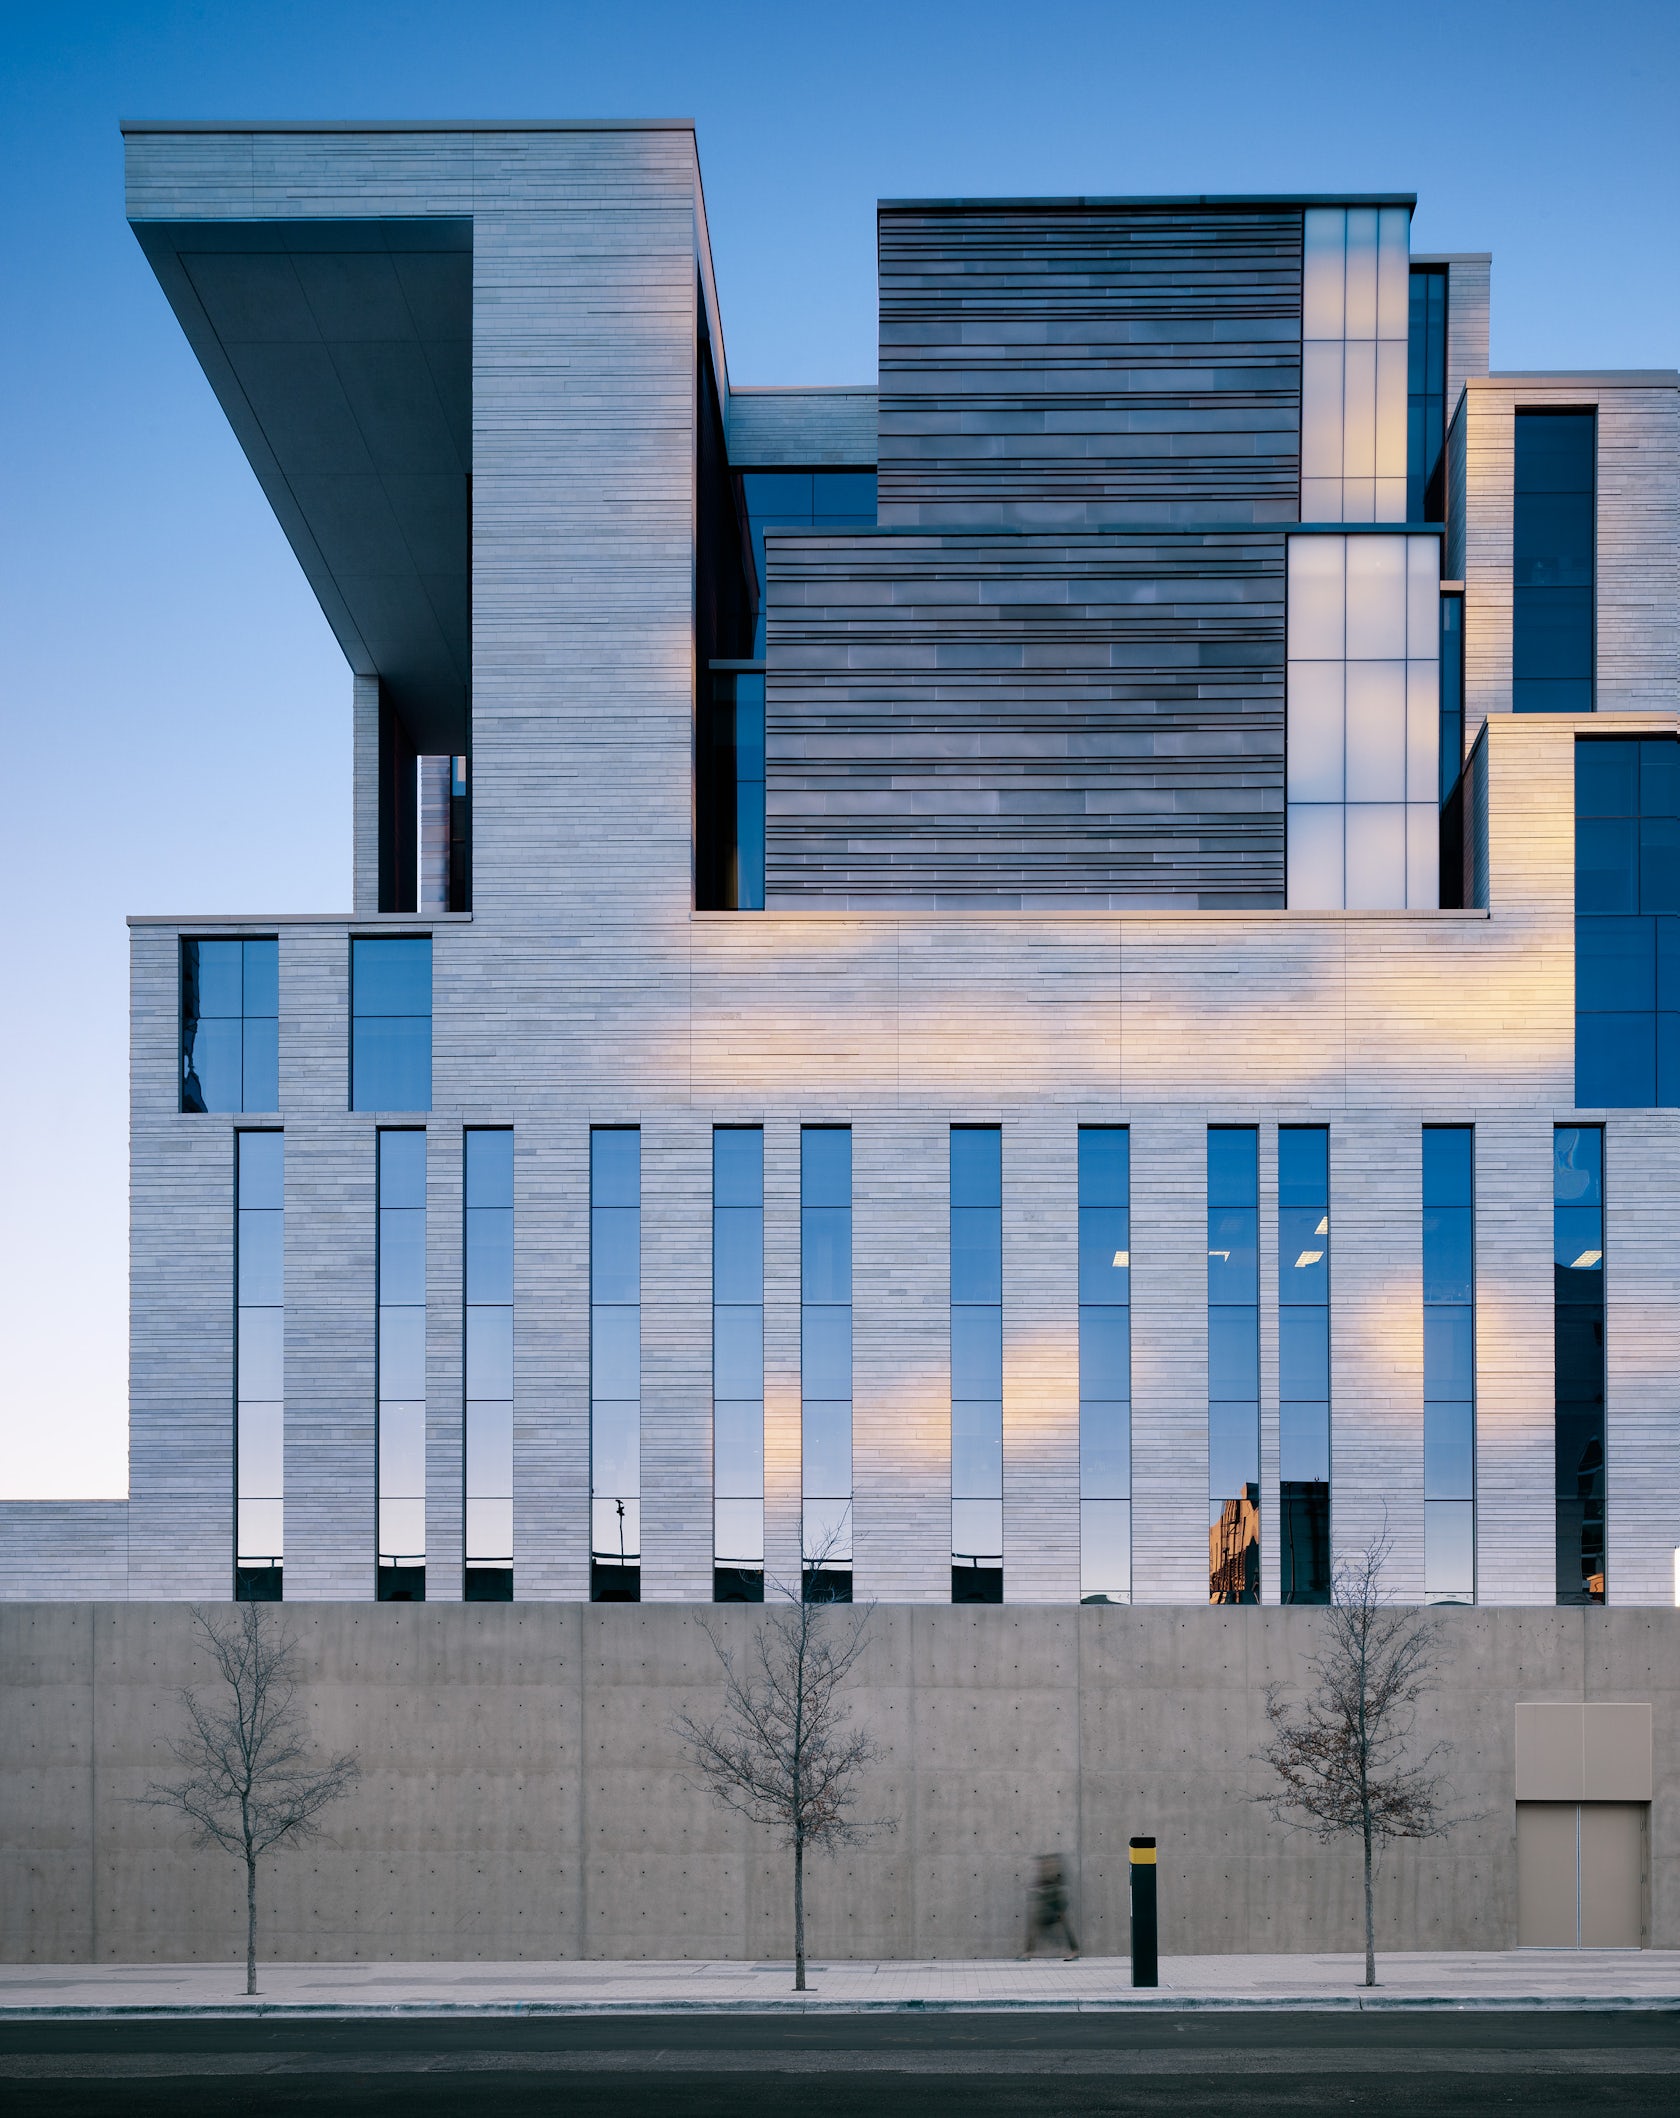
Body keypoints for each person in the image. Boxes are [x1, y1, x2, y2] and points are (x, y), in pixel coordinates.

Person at [1023, 1852, 1079, 1957]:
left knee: (1065, 1925)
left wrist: (1060, 1909)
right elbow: (1041, 1888)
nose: (1046, 1866)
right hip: (1047, 1911)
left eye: (1048, 1864)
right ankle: (1028, 1952)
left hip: (1056, 1911)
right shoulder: (1044, 1878)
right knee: (1034, 1924)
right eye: (1044, 1864)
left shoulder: (1058, 1877)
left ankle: (1074, 1951)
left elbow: (1061, 1894)